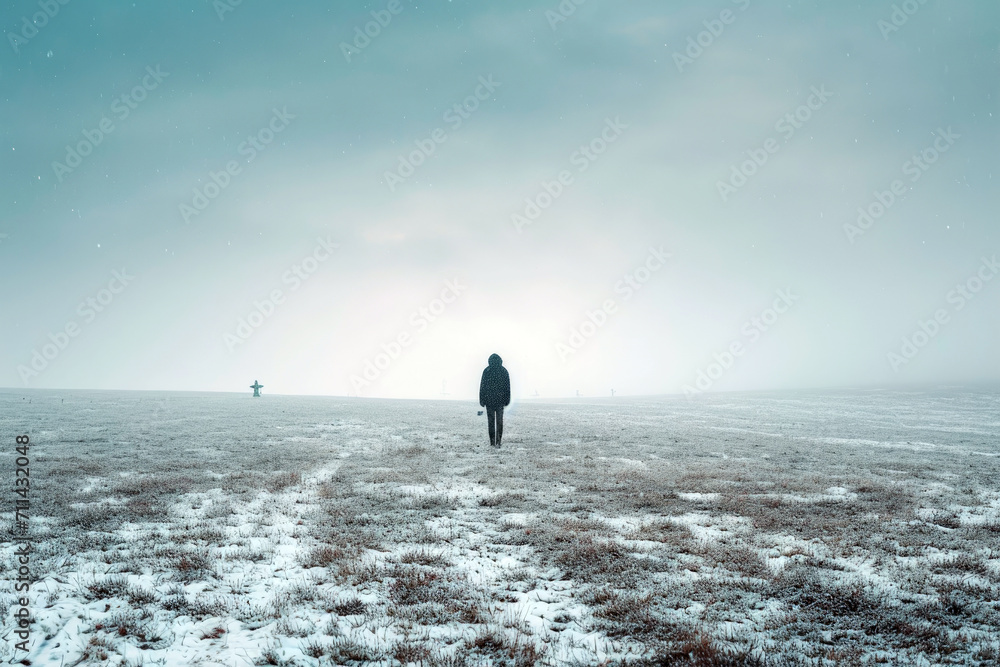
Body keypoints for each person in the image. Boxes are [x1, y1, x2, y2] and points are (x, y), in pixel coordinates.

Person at [479, 353, 510, 447]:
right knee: (499, 422)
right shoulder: (503, 371)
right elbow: (507, 387)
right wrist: (507, 399)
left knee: (491, 422)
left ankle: (492, 442)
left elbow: (482, 386)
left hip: (489, 401)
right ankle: (498, 441)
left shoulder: (487, 371)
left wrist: (482, 399)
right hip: (500, 401)